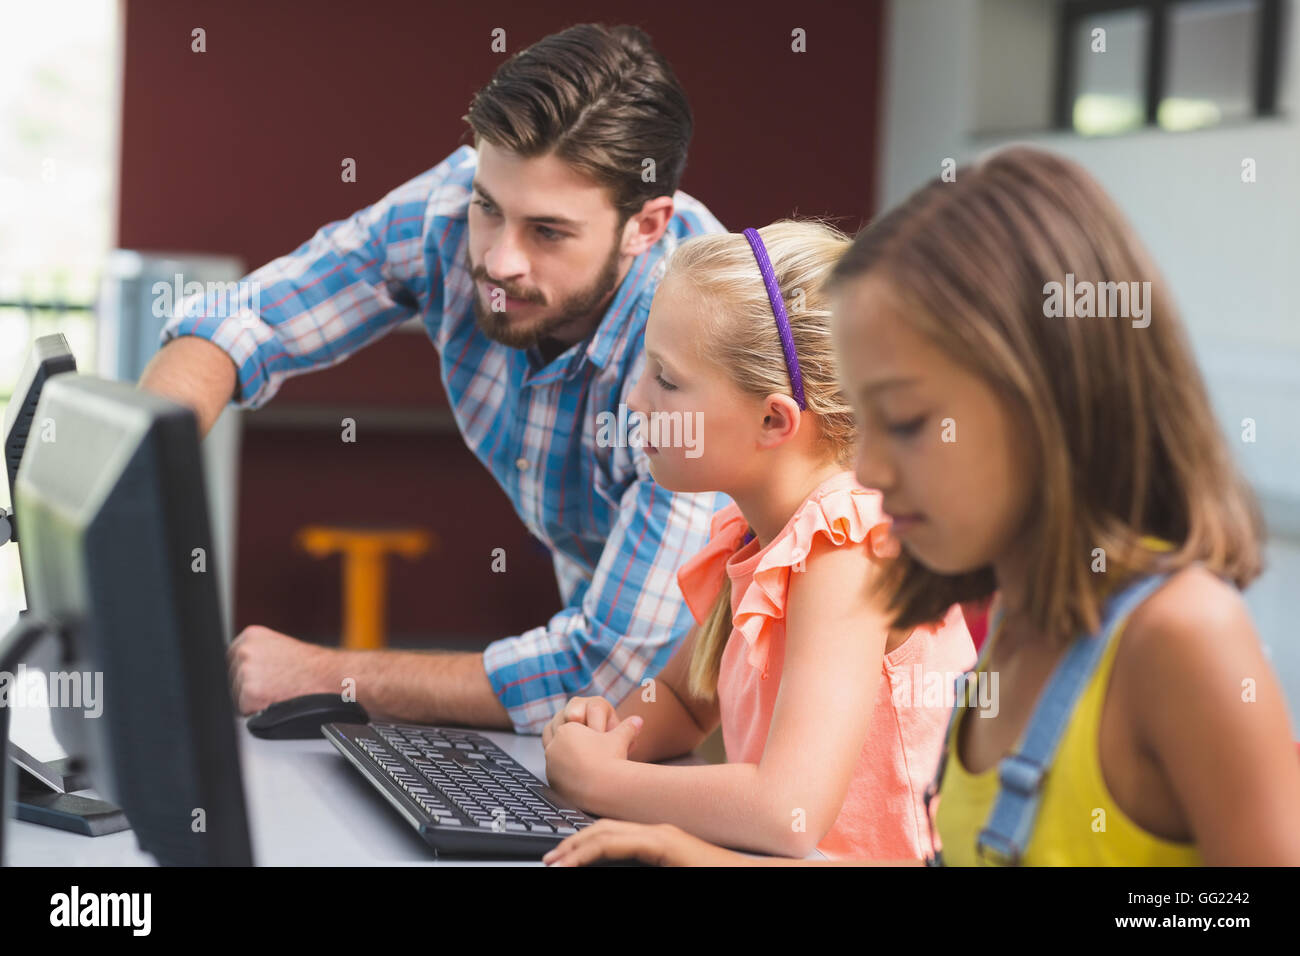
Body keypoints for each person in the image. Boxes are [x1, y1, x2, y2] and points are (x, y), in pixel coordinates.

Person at [545, 147, 1300, 865]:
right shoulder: (1017, 628)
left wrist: (608, 785)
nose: (868, 466)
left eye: (907, 423)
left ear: (1035, 407)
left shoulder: (1183, 636)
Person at [137, 24, 731, 734]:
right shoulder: (452, 209)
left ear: (647, 224)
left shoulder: (700, 353)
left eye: (547, 231)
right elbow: (241, 324)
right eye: (490, 208)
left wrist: (334, 676)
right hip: (605, 655)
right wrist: (133, 482)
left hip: (744, 691)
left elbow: (606, 671)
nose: (499, 261)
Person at [540, 220, 973, 859]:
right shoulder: (762, 533)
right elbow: (686, 704)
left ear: (774, 419)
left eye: (666, 379)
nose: (635, 399)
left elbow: (787, 814)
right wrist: (611, 732)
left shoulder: (845, 548)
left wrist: (604, 781)